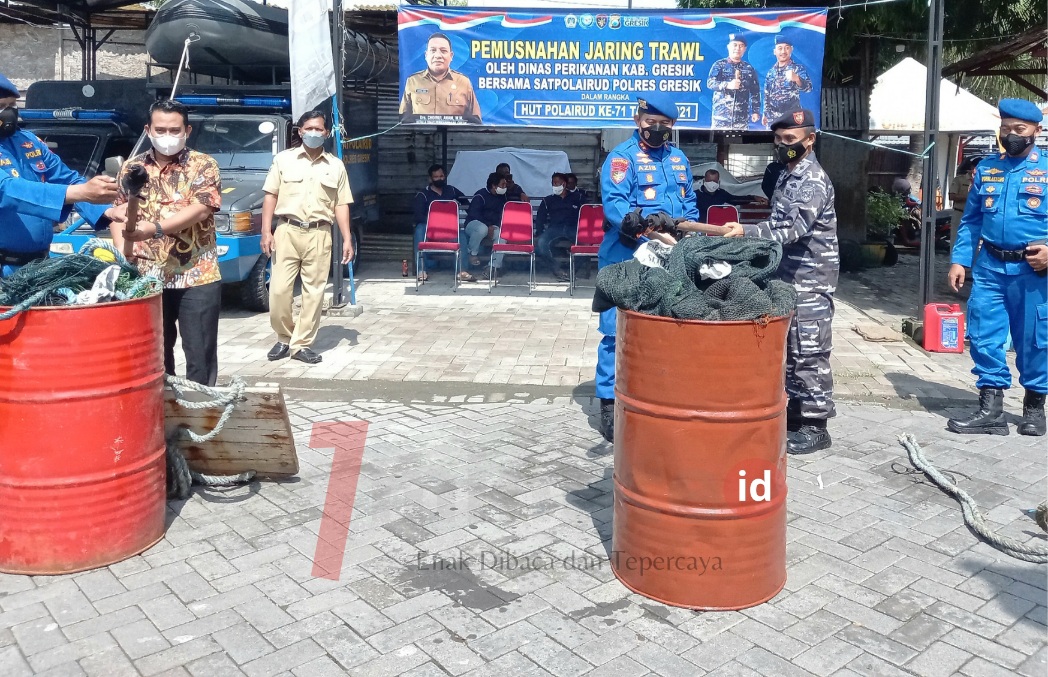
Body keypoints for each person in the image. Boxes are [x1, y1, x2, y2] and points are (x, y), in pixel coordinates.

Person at [723, 109, 839, 454]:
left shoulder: (812, 180)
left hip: (810, 278)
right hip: (787, 276)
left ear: (810, 140)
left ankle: (816, 425)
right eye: (779, 140)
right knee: (789, 349)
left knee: (809, 350)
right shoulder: (789, 175)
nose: (783, 146)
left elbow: (789, 229)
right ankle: (796, 413)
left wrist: (745, 232)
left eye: (790, 140)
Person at [596, 92, 700, 442]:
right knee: (616, 330)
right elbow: (615, 207)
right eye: (650, 122)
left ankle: (654, 389)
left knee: (663, 324)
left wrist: (681, 229)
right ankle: (609, 403)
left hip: (669, 258)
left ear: (672, 126)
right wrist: (640, 223)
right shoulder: (621, 159)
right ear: (637, 120)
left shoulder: (679, 159)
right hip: (626, 255)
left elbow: (689, 203)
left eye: (664, 125)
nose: (656, 129)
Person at [945, 98, 1047, 437]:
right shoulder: (987, 169)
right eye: (1006, 130)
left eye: (1020, 130)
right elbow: (971, 221)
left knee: (1034, 339)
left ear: (1037, 131)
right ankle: (991, 410)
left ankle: (1034, 408)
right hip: (989, 267)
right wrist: (960, 260)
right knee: (984, 336)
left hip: (1035, 271)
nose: (1012, 135)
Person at [111, 99, 223, 386]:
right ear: (148, 130)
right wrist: (124, 252)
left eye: (175, 130)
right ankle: (162, 414)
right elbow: (117, 213)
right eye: (160, 129)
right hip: (147, 278)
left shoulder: (203, 165)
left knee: (199, 353)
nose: (167, 136)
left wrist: (155, 228)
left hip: (196, 274)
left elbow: (201, 208)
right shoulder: (131, 169)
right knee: (155, 353)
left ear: (187, 130)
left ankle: (201, 414)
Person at [0, 72, 124, 277]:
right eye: (2, 106)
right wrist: (80, 192)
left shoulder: (28, 141)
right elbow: (7, 190)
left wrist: (107, 210)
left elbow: (66, 178)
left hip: (38, 266)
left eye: (13, 105)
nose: (10, 113)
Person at [261, 110, 353, 366]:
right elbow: (271, 195)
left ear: (326, 133)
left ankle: (301, 344)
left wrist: (347, 239)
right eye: (309, 128)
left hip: (320, 233)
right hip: (287, 231)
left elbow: (342, 204)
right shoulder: (284, 160)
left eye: (319, 129)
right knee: (279, 291)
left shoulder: (335, 165)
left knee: (314, 293)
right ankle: (284, 336)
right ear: (300, 131)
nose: (314, 133)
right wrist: (266, 230)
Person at [400, 33, 481, 124]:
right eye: (433, 50)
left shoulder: (463, 82)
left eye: (443, 51)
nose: (438, 55)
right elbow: (403, 120)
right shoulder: (413, 81)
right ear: (426, 55)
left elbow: (475, 121)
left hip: (454, 137)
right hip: (422, 137)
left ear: (451, 56)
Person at [413, 163, 466, 280]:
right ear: (430, 179)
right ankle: (421, 270)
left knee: (461, 234)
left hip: (448, 229)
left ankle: (461, 270)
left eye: (441, 176)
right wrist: (435, 222)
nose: (439, 179)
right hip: (430, 228)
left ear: (445, 176)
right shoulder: (423, 195)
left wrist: (455, 204)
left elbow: (466, 202)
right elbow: (418, 216)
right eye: (436, 177)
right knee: (419, 229)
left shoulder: (451, 190)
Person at [706, 33, 761, 130]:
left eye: (741, 46)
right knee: (718, 143)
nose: (737, 48)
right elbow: (710, 83)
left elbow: (755, 91)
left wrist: (755, 111)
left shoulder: (749, 68)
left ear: (745, 49)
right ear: (728, 47)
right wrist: (727, 85)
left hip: (741, 119)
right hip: (721, 117)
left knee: (739, 144)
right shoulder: (719, 65)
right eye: (735, 45)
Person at [536, 172, 583, 280]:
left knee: (585, 244)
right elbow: (540, 217)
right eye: (553, 183)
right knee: (541, 243)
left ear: (564, 184)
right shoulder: (548, 200)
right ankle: (556, 269)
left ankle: (572, 271)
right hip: (554, 229)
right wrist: (539, 231)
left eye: (558, 183)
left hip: (572, 228)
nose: (555, 186)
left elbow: (585, 214)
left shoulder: (577, 197)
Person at [462, 172, 508, 281]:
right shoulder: (480, 195)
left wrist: (493, 226)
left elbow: (501, 215)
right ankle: (472, 254)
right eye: (502, 185)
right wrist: (488, 225)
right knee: (482, 228)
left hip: (491, 227)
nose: (504, 187)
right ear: (493, 185)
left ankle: (493, 267)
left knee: (502, 236)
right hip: (473, 225)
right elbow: (474, 213)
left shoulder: (502, 197)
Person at [761, 35, 813, 126]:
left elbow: (808, 88)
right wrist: (765, 114)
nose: (783, 51)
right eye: (780, 48)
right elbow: (767, 94)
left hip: (791, 117)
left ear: (791, 49)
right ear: (775, 51)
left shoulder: (797, 68)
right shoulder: (770, 72)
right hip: (773, 118)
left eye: (787, 48)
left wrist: (797, 78)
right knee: (773, 140)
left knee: (791, 139)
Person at [695, 169, 760, 222]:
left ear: (718, 182)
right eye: (709, 181)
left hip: (716, 225)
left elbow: (735, 199)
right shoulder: (696, 195)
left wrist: (753, 198)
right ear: (704, 181)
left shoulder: (721, 193)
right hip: (700, 226)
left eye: (714, 181)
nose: (712, 183)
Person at [948, 157, 979, 248]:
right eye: (975, 167)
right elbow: (951, 196)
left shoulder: (983, 181)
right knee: (955, 240)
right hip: (960, 213)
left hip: (976, 215)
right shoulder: (959, 180)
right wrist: (970, 197)